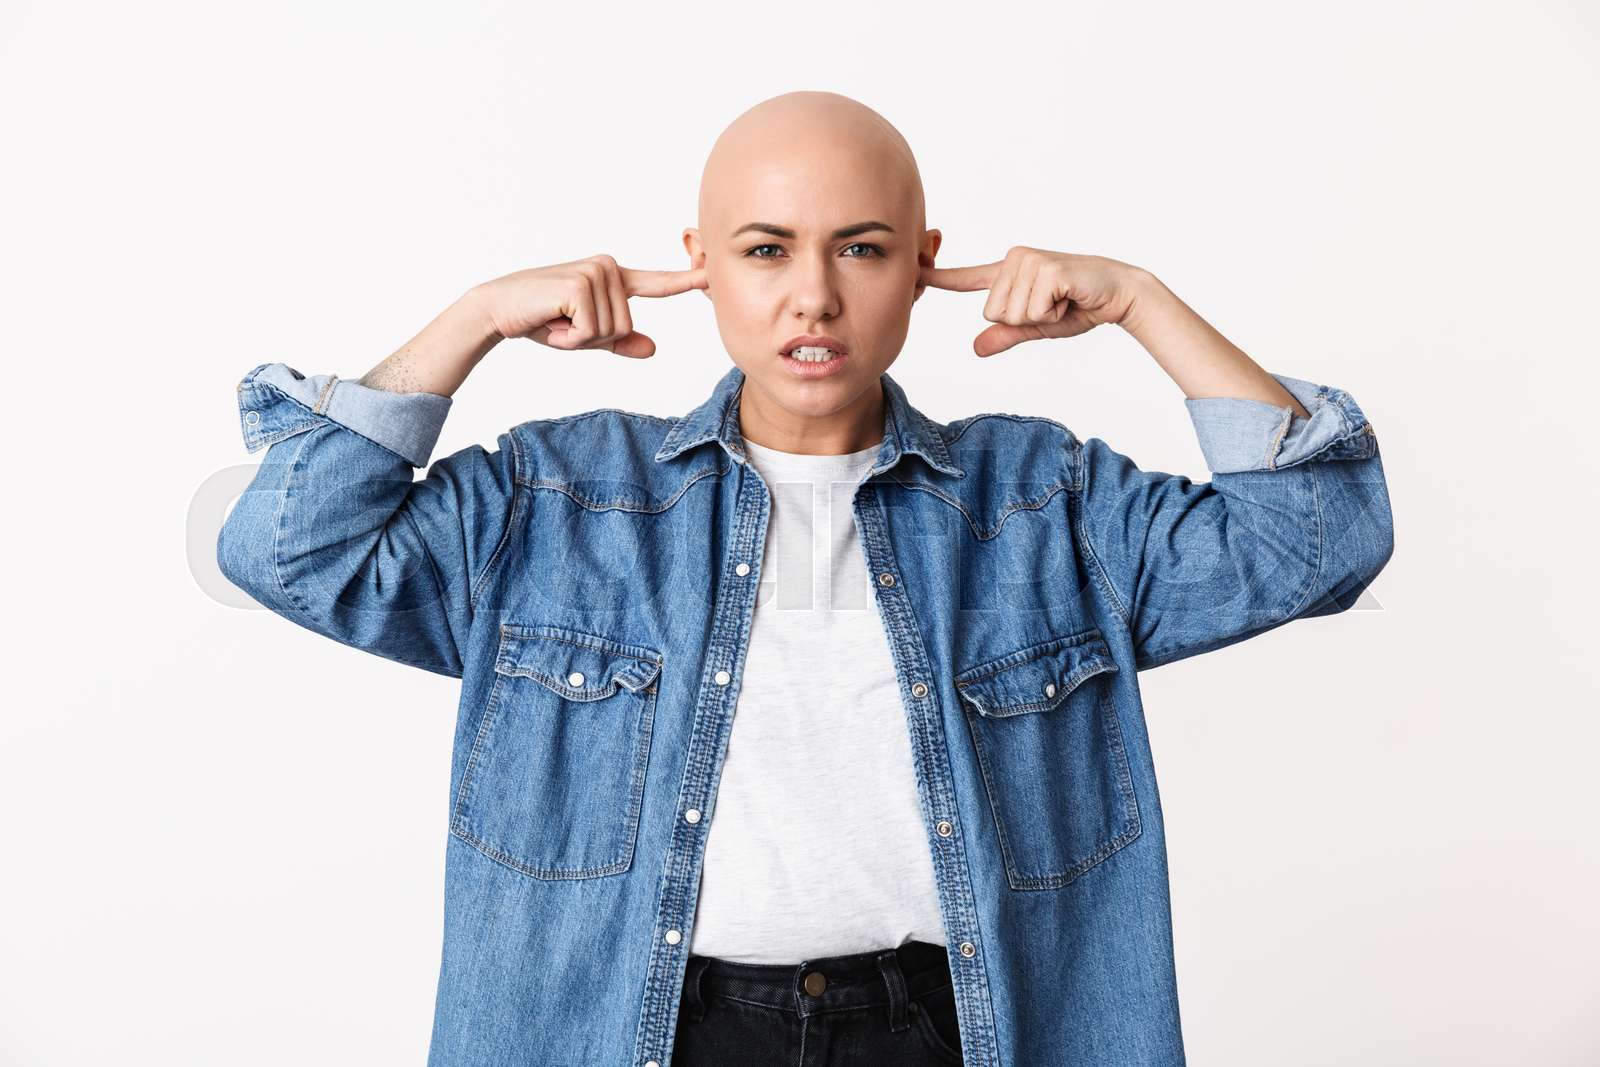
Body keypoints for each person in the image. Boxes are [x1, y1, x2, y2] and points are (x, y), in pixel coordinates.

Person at [217, 90, 1394, 1067]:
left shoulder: (1048, 502)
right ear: (701, 266)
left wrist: (1141, 299)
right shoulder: (556, 499)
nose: (814, 296)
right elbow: (287, 548)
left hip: (949, 1033)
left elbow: (1317, 539)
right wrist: (470, 320)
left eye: (863, 249)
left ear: (924, 266)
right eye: (767, 249)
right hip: (644, 1032)